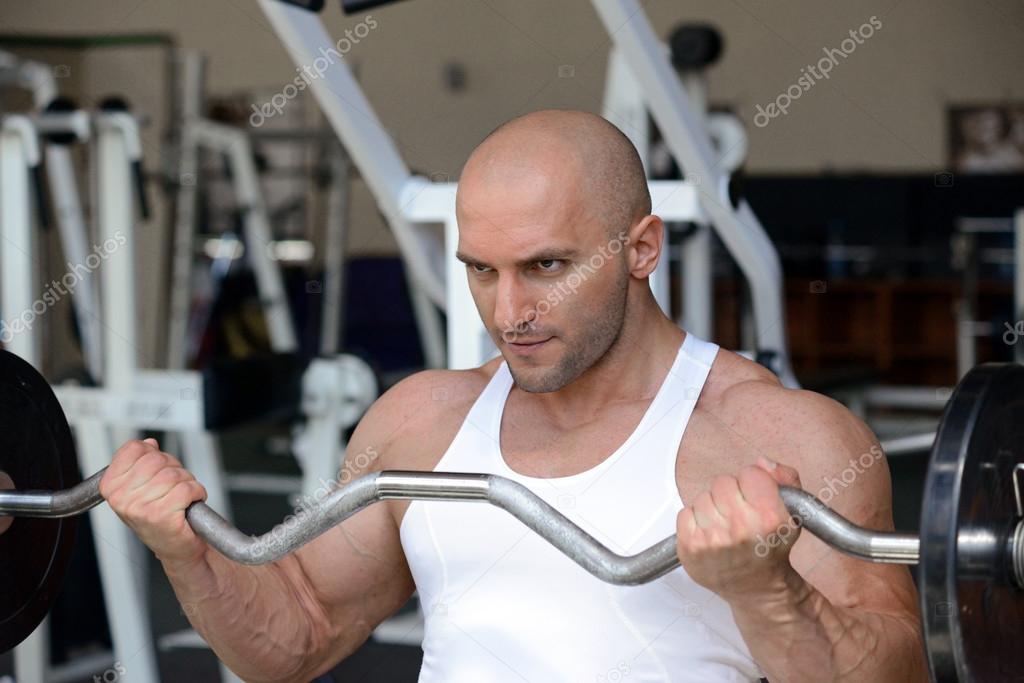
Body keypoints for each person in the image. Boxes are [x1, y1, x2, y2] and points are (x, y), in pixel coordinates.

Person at [100, 109, 926, 682]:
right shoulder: (420, 422)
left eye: (546, 266)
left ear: (641, 249)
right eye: (480, 269)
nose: (507, 312)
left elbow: (893, 673)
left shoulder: (782, 436)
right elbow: (293, 640)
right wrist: (187, 548)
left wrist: (765, 589)